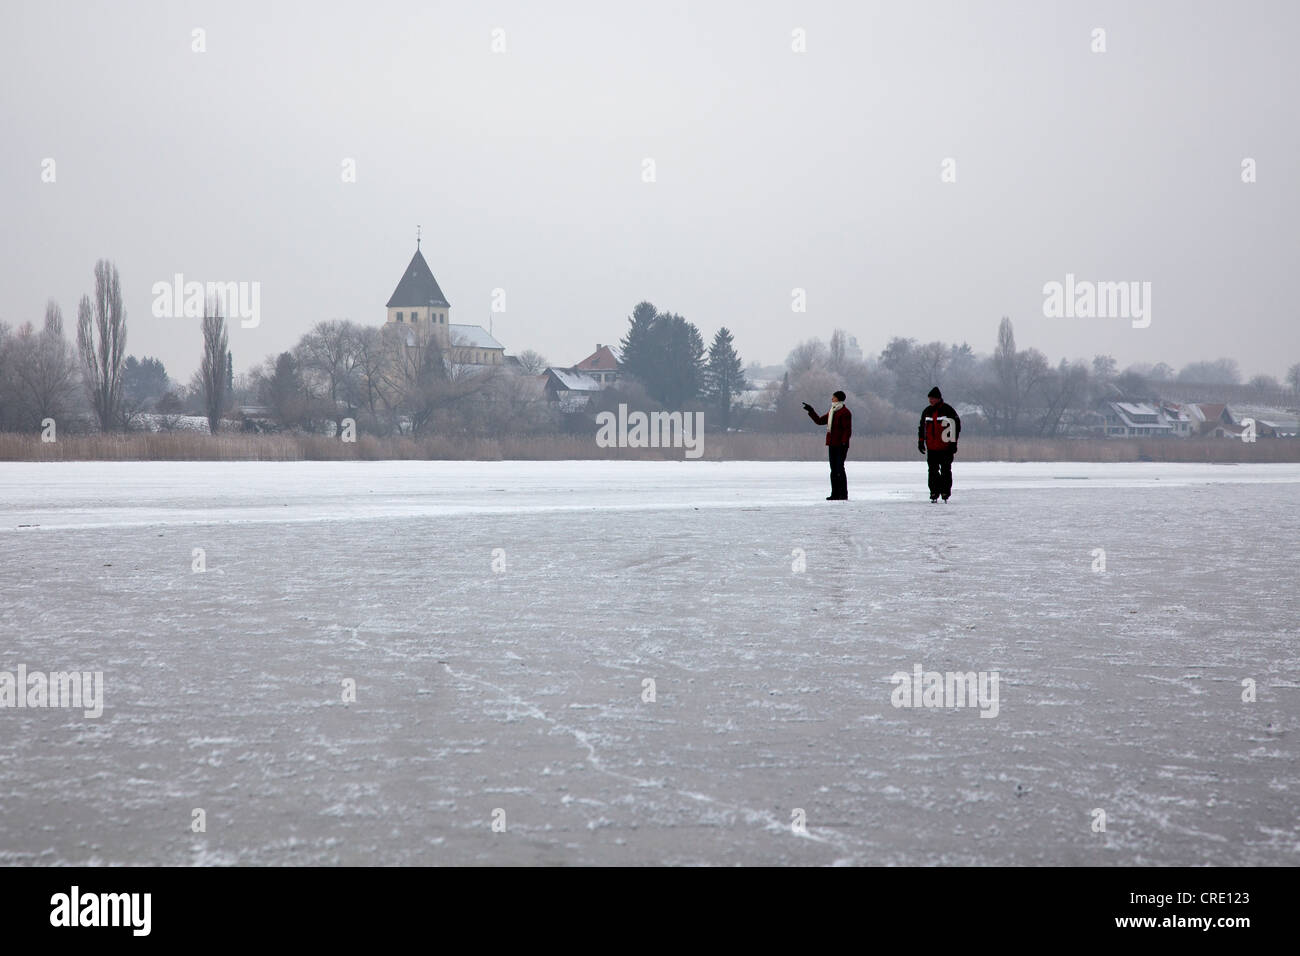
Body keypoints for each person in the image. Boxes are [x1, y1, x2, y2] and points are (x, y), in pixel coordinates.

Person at [803, 391, 851, 500]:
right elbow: (819, 421)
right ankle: (835, 494)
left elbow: (847, 430)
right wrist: (811, 411)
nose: (832, 398)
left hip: (841, 445)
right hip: (832, 444)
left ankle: (843, 495)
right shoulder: (832, 411)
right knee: (833, 470)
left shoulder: (845, 412)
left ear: (838, 399)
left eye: (833, 397)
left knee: (839, 469)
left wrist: (843, 443)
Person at [917, 386, 961, 502]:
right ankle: (934, 492)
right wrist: (921, 442)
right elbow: (922, 428)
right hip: (931, 448)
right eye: (929, 398)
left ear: (938, 398)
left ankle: (945, 492)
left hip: (946, 448)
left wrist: (953, 444)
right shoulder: (927, 411)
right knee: (932, 471)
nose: (930, 401)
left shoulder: (948, 410)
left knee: (946, 470)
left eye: (932, 398)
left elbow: (956, 427)